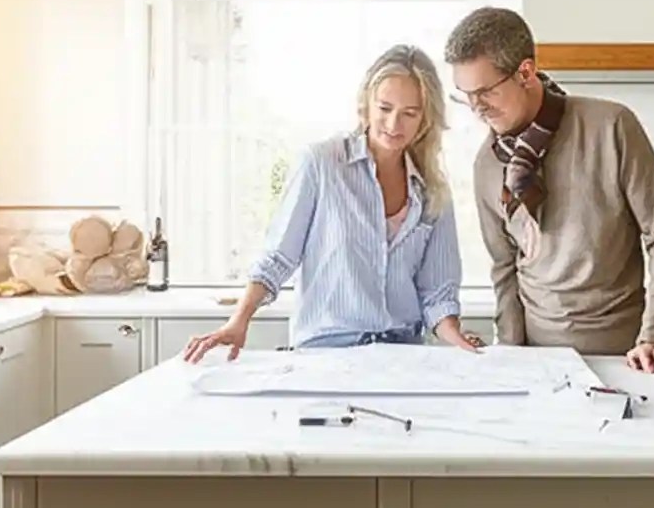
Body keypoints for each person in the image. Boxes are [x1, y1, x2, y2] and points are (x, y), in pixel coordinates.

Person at [183, 44, 481, 363]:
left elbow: (437, 293)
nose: (394, 124)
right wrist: (238, 321)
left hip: (402, 355)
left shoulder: (432, 191)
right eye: (384, 108)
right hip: (325, 351)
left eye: (410, 113)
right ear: (366, 104)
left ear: (426, 119)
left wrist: (457, 338)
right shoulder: (321, 164)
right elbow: (279, 257)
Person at [444, 7, 654, 374]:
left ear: (525, 72)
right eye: (466, 95)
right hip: (537, 363)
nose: (477, 108)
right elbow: (505, 267)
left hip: (626, 357)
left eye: (485, 92)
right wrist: (509, 354)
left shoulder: (612, 126)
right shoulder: (488, 164)